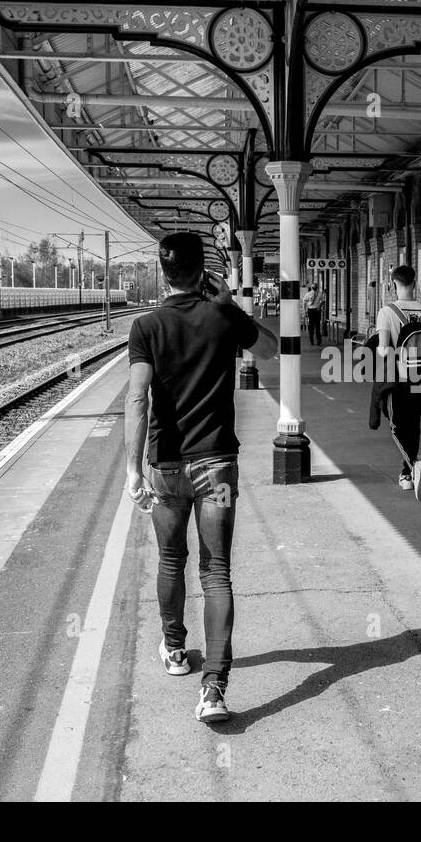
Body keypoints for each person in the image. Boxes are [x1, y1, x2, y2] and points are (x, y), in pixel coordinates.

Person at [125, 232, 279, 723]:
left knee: (171, 561)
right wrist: (230, 304)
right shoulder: (222, 316)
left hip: (166, 466)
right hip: (216, 465)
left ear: (162, 270)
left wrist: (133, 470)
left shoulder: (146, 326)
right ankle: (213, 690)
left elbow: (137, 399)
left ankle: (174, 650)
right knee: (217, 573)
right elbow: (272, 349)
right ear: (202, 270)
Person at [376, 264, 421, 500]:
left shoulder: (387, 312)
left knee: (396, 427)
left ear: (394, 285)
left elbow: (383, 350)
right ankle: (407, 474)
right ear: (415, 284)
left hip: (398, 378)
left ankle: (413, 467)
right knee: (412, 424)